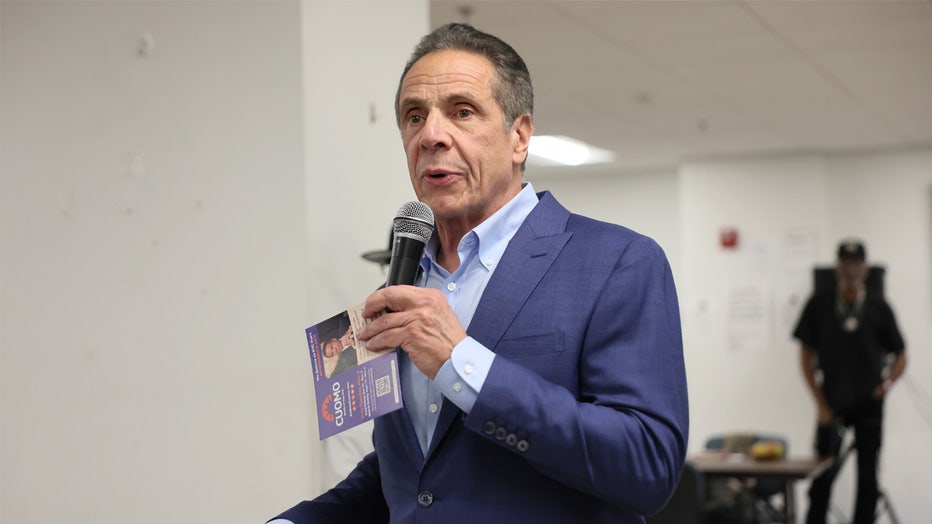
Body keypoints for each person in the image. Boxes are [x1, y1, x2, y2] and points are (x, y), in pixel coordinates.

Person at [269, 23, 688, 524]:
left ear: (519, 137)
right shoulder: (399, 290)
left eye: (462, 112)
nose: (431, 135)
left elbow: (647, 465)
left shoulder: (618, 262)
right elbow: (414, 477)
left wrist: (460, 360)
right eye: (414, 116)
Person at [793, 239, 907, 524]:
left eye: (857, 263)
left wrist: (886, 386)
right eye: (846, 263)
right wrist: (819, 403)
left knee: (868, 479)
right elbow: (805, 357)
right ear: (837, 267)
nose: (851, 269)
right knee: (822, 476)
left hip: (869, 403)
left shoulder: (879, 306)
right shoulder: (819, 304)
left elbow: (901, 356)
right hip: (831, 402)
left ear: (865, 268)